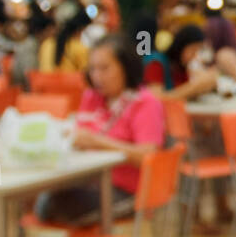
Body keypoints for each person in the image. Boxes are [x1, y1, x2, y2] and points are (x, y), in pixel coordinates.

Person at [33, 35, 165, 226]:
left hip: (128, 191)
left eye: (105, 68)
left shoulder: (145, 103)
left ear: (126, 67)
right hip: (86, 180)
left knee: (54, 202)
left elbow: (149, 156)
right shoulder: (92, 97)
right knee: (45, 198)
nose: (97, 76)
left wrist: (97, 143)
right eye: (93, 69)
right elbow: (79, 136)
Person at [142, 24, 218, 100]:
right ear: (181, 46)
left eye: (199, 51)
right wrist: (194, 87)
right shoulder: (156, 63)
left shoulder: (182, 68)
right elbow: (156, 99)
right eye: (193, 50)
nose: (195, 56)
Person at [38, 8, 91, 74]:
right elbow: (86, 74)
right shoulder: (80, 48)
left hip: (44, 83)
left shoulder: (47, 43)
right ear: (80, 30)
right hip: (69, 83)